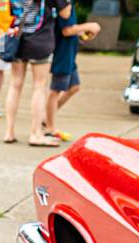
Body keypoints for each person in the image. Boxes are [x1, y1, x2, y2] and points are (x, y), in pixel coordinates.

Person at [3, 0, 72, 147]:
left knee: (15, 85)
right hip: (40, 41)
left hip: (17, 39)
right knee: (39, 86)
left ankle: (9, 132)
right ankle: (35, 134)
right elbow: (65, 13)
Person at [44, 4, 101, 141]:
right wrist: (88, 26)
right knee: (56, 90)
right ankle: (49, 128)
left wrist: (81, 33)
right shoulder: (63, 3)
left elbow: (69, 28)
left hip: (69, 52)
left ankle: (47, 118)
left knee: (74, 87)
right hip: (62, 53)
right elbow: (66, 30)